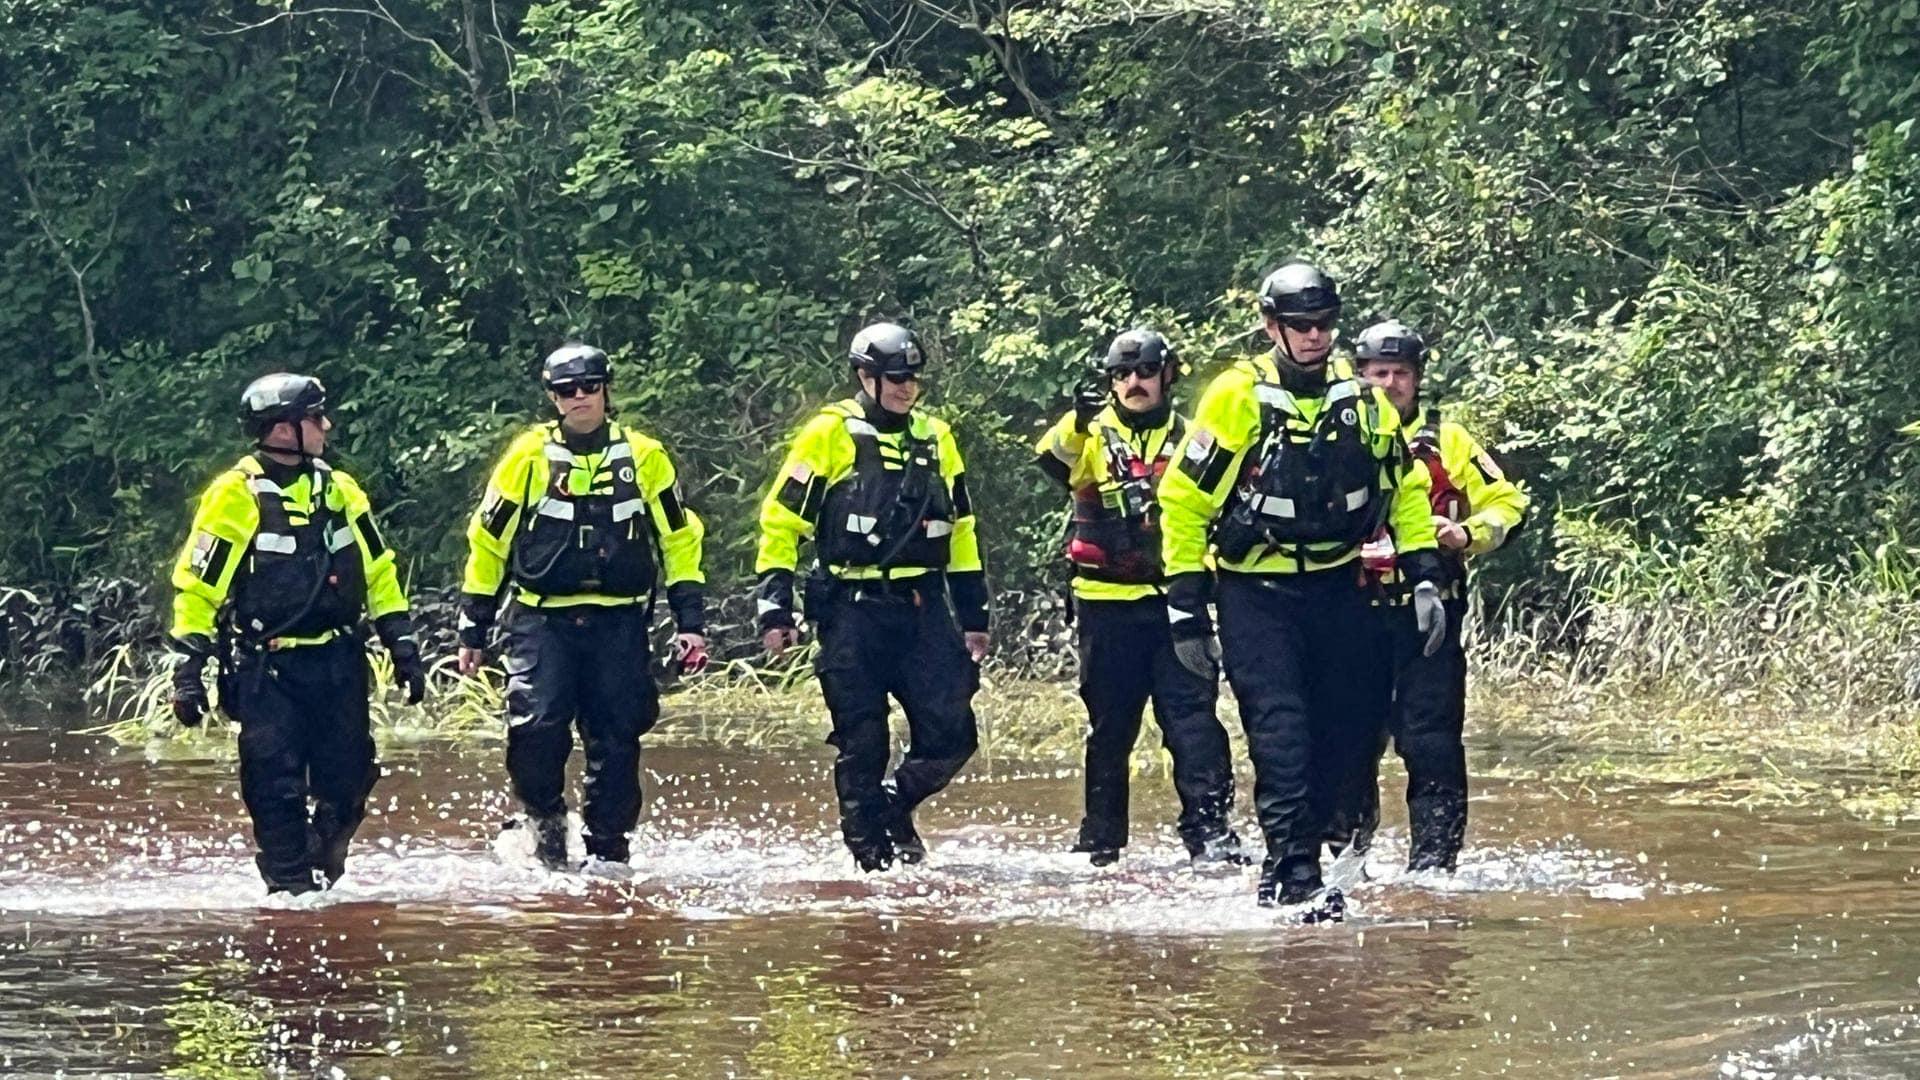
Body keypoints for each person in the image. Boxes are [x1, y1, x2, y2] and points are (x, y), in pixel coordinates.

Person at [1156, 261, 1448, 914]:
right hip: (1256, 594)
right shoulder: (1235, 397)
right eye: (1301, 326)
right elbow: (1182, 498)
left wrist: (1424, 575)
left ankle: (1322, 856)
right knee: (1281, 733)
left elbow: (1401, 489)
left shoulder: (1363, 400)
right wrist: (1184, 603)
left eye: (1324, 324)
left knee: (1345, 737)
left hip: (1339, 591)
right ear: (1271, 326)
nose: (1315, 337)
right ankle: (1291, 878)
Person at [167, 373, 426, 895]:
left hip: (338, 664)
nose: (325, 425)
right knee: (275, 788)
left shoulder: (342, 490)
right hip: (269, 671)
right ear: (282, 429)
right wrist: (187, 671)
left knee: (349, 781)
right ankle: (289, 896)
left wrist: (401, 642)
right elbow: (199, 588)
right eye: (315, 417)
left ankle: (323, 866)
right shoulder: (234, 496)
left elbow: (378, 570)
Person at [455, 343, 708, 871]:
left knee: (617, 737)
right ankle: (544, 819)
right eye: (566, 391)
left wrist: (691, 622)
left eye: (588, 387)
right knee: (536, 726)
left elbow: (679, 540)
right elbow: (489, 542)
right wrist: (472, 626)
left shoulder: (645, 457)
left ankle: (609, 850)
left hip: (618, 621)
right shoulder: (526, 458)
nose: (579, 399)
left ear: (606, 390)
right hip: (541, 619)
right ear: (553, 398)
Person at [755, 321, 989, 872]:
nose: (906, 388)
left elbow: (962, 530)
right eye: (894, 378)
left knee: (953, 731)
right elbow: (780, 521)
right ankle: (873, 869)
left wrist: (974, 614)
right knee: (863, 743)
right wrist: (774, 606)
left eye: (912, 378)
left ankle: (893, 803)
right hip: (851, 613)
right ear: (865, 376)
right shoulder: (828, 434)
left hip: (922, 609)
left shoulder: (937, 437)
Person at [1033, 329, 1242, 868]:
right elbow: (1052, 461)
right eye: (1122, 374)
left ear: (1167, 376)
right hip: (1105, 606)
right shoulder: (1089, 435)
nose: (1133, 382)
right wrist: (1077, 420)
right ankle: (1100, 841)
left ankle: (1211, 833)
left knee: (1193, 723)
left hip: (1176, 605)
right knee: (1111, 729)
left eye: (1145, 372)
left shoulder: (1193, 436)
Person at [1354, 319, 1528, 872]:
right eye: (1377, 373)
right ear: (1359, 377)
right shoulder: (1336, 437)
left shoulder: (1448, 441)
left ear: (1417, 380)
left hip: (1432, 615)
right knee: (1349, 746)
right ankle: (1346, 860)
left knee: (1431, 742)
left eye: (1400, 373)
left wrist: (1469, 534)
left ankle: (1434, 865)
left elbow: (1507, 503)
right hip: (1352, 615)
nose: (1388, 383)